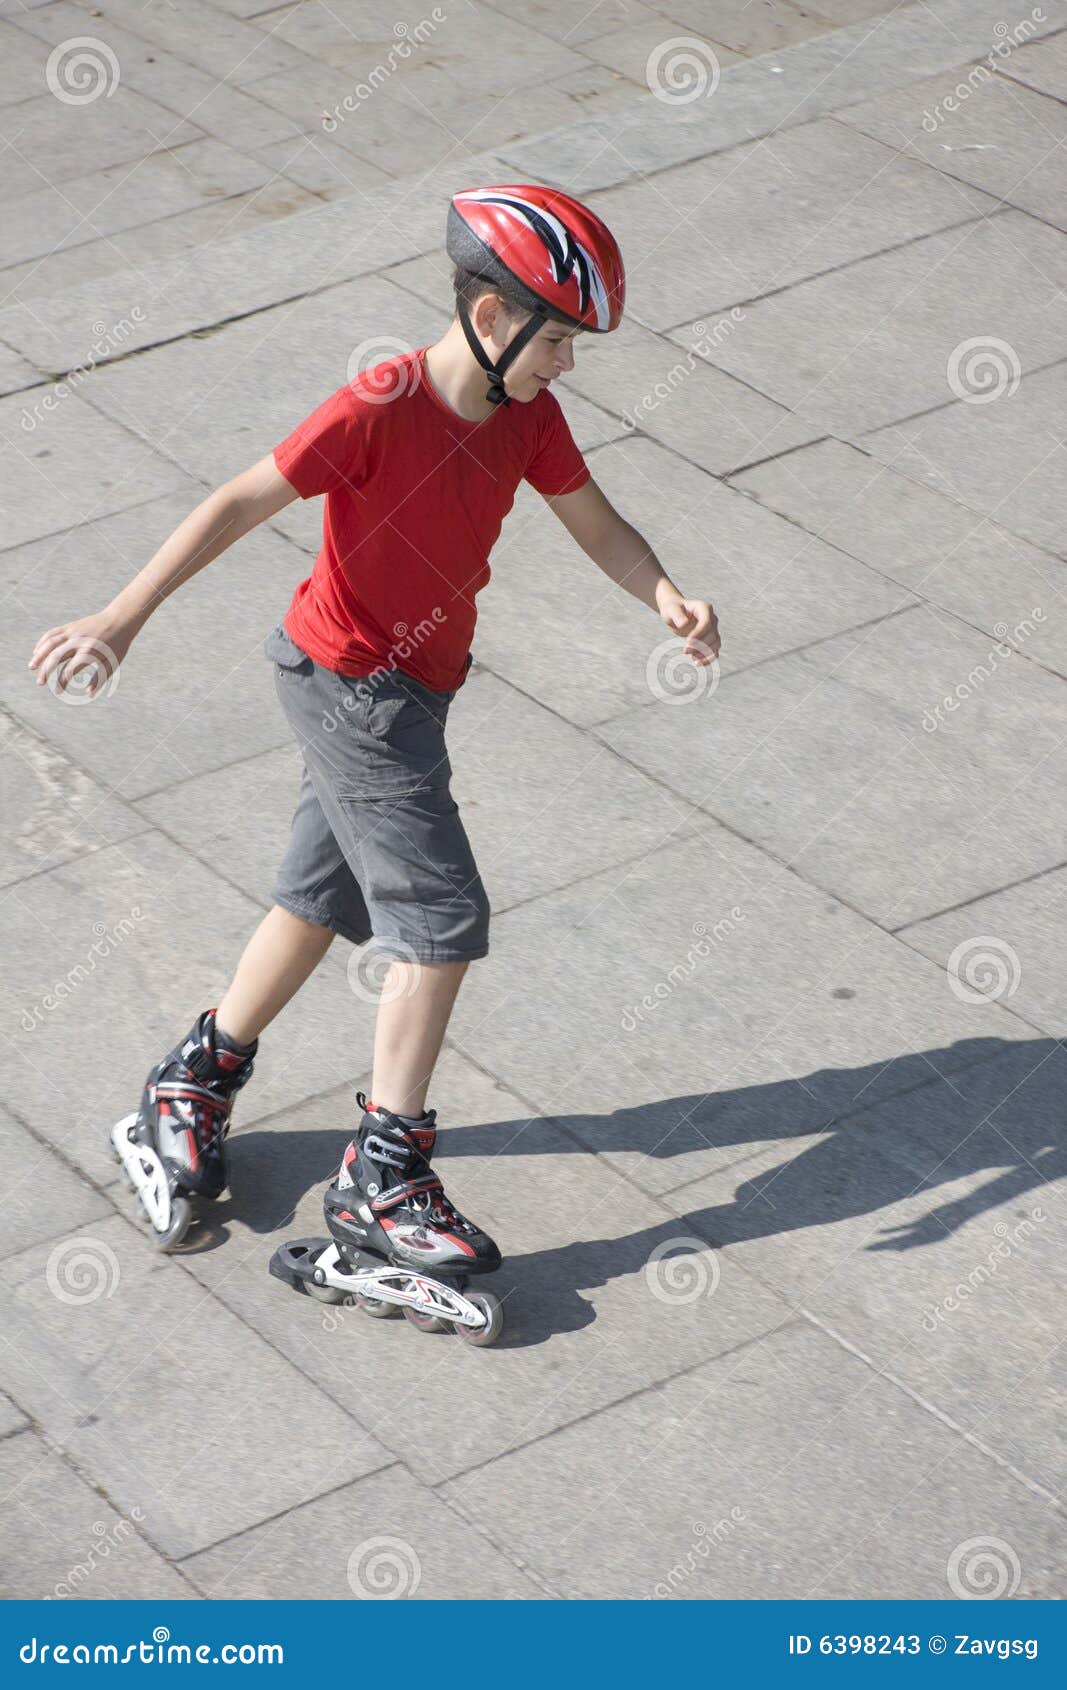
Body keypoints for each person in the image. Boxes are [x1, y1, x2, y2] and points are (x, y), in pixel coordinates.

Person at [28, 183, 720, 1257]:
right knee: (440, 920)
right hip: (350, 683)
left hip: (417, 687)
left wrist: (662, 592)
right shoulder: (379, 402)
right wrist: (120, 619)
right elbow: (236, 500)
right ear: (493, 319)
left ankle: (193, 1076)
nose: (567, 365)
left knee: (318, 896)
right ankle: (382, 1178)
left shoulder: (526, 414)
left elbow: (597, 524)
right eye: (560, 341)